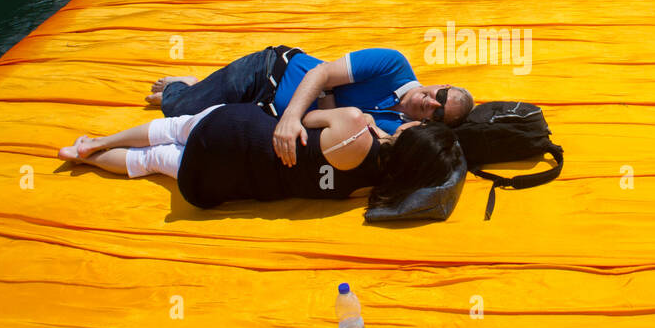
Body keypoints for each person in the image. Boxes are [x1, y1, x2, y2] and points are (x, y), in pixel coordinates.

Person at [59, 103, 464, 213]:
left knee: (171, 128)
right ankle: (92, 159)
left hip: (237, 133)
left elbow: (302, 118)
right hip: (231, 181)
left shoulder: (357, 127)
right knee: (153, 162)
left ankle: (96, 142)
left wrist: (370, 123)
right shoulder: (373, 191)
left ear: (412, 137)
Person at [146, 46, 474, 166]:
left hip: (261, 114)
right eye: (440, 97)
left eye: (438, 112)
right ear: (441, 85)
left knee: (199, 133)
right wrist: (291, 119)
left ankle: (199, 89)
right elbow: (320, 72)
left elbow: (330, 114)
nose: (431, 103)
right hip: (270, 73)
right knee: (175, 108)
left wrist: (322, 101)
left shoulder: (394, 130)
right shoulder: (392, 64)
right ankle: (185, 84)